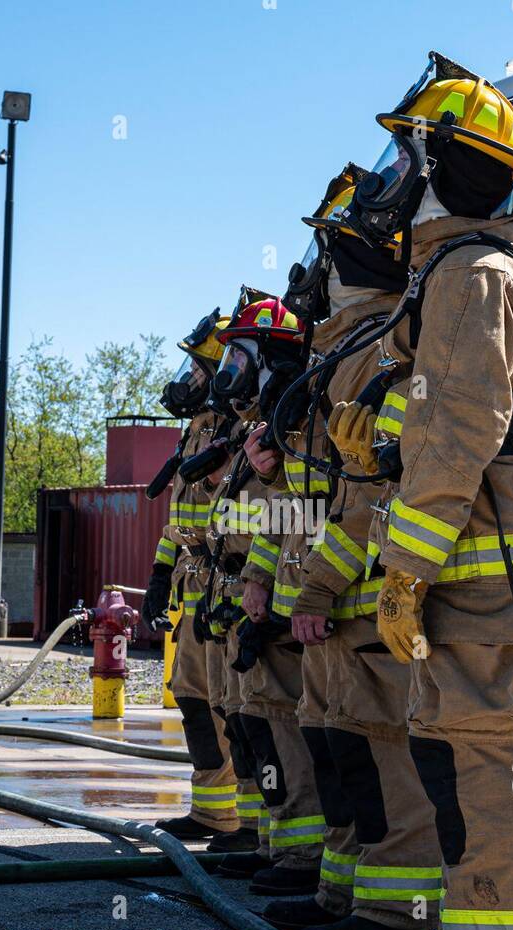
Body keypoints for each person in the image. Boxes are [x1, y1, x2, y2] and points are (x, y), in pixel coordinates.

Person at [338, 52, 513, 930]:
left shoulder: (474, 278)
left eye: (408, 156)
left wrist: (405, 565)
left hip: (485, 572)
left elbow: (454, 434)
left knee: (486, 753)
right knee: (457, 755)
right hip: (476, 569)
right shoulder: (454, 276)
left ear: (441, 168)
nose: (393, 179)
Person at [254, 167, 445, 930]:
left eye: (331, 257)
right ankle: (345, 891)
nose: (320, 278)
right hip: (338, 604)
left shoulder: (377, 352)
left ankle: (395, 912)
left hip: (370, 600)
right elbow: (323, 501)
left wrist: (320, 582)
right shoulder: (344, 354)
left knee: (385, 761)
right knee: (344, 754)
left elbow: (369, 495)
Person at [199, 290, 309, 876]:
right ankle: (266, 839)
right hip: (251, 598)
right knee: (253, 727)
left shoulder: (288, 429)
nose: (226, 377)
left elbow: (297, 511)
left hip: (292, 606)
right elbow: (263, 525)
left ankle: (295, 850)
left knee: (285, 730)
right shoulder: (259, 433)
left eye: (237, 361)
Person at [143, 309, 257, 851]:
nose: (187, 382)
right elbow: (182, 521)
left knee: (238, 708)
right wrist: (161, 570)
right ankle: (213, 813)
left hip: (233, 588)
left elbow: (246, 517)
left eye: (197, 372)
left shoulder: (246, 433)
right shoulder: (201, 430)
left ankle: (254, 827)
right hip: (197, 588)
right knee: (193, 699)